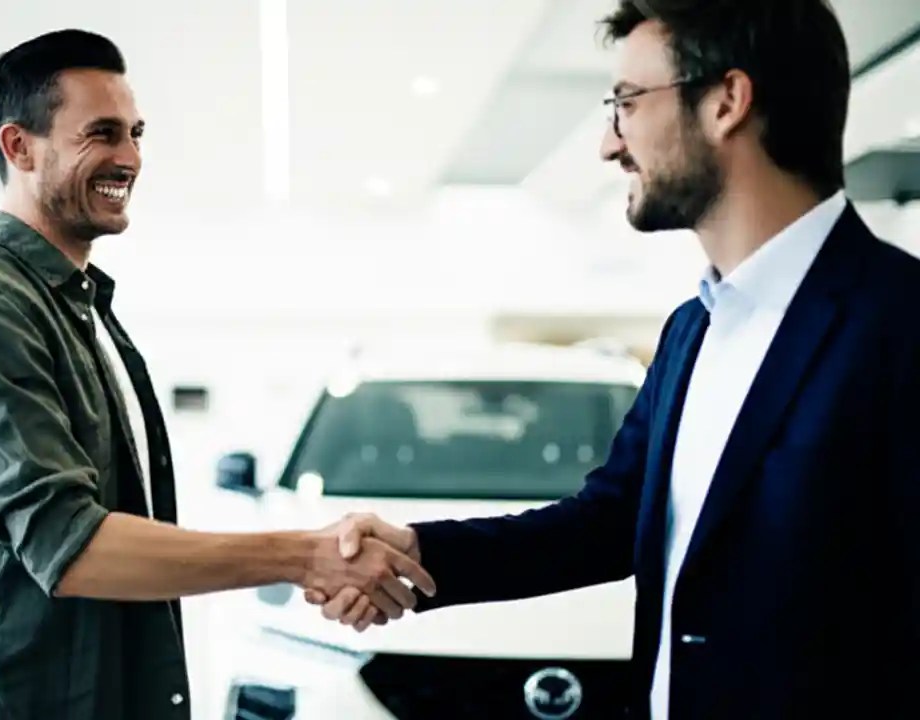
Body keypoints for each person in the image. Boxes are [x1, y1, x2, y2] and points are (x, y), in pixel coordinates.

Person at [309, 1, 920, 718]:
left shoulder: (899, 326)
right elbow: (607, 523)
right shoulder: (692, 330)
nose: (608, 143)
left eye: (626, 102)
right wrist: (416, 551)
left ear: (727, 102)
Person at [0, 29, 434, 720]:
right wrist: (304, 555)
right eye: (102, 134)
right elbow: (72, 547)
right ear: (19, 146)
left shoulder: (85, 308)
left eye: (135, 133)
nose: (129, 158)